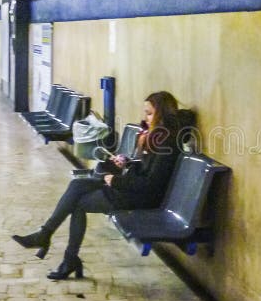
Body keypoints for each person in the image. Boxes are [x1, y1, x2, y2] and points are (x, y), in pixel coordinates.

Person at [12, 91, 181, 279]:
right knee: (77, 185)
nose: (145, 118)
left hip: (140, 198)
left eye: (149, 113)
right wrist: (126, 162)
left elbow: (151, 184)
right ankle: (52, 242)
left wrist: (115, 180)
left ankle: (55, 245)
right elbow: (145, 169)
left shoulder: (166, 143)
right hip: (132, 190)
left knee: (78, 203)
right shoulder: (157, 137)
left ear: (161, 114)